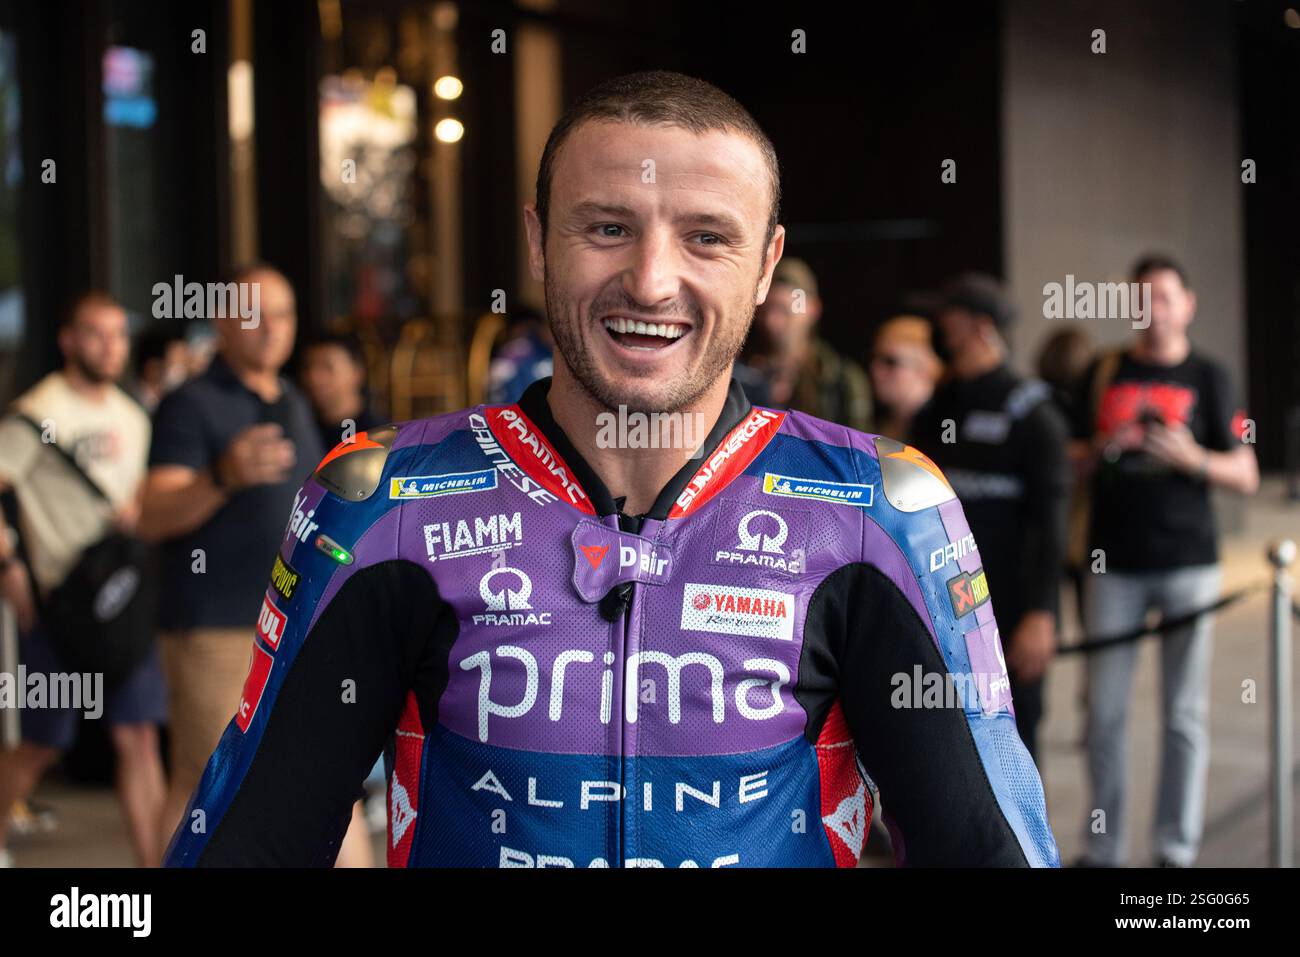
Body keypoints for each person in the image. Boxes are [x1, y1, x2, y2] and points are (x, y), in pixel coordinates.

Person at [164, 71, 1058, 868]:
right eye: (606, 227)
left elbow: (987, 847)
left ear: (766, 267)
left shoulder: (882, 512)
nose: (652, 280)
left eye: (708, 237)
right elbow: (253, 840)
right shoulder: (381, 501)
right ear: (538, 241)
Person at [1071, 254, 1258, 868]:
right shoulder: (1103, 373)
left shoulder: (1211, 375)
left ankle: (1173, 852)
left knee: (1183, 715)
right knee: (1105, 714)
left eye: (1166, 298)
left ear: (1188, 304)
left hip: (1188, 562)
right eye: (1142, 299)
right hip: (1111, 565)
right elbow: (1067, 457)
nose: (1154, 311)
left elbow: (1247, 472)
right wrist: (1106, 447)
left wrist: (1190, 456)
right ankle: (1103, 849)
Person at [137, 264, 324, 856]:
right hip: (214, 628)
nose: (272, 329)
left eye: (284, 315)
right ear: (222, 319)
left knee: (320, 781)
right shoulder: (190, 404)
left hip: (294, 622)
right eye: (255, 314)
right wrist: (224, 475)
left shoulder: (293, 399)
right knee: (208, 784)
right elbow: (151, 513)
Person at [0, 292, 167, 867]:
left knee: (139, 734)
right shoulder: (37, 411)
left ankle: (153, 867)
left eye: (119, 334)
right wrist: (10, 569)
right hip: (62, 607)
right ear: (68, 340)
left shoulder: (131, 413)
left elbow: (143, 488)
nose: (110, 346)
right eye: (95, 334)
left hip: (121, 603)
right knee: (42, 744)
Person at [909, 274, 1070, 763]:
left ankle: (1018, 840)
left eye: (948, 321)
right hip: (942, 601)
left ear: (981, 327)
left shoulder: (1032, 411)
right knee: (943, 730)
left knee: (1016, 736)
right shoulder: (938, 406)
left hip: (1012, 604)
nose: (939, 331)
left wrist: (1041, 614)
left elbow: (1052, 518)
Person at [743, 257, 872, 431]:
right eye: (767, 310)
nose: (771, 322)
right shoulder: (741, 372)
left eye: (784, 311)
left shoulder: (840, 380)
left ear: (813, 309)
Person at [300, 331, 386, 454]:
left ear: (357, 372)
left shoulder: (381, 437)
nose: (313, 378)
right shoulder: (301, 432)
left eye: (327, 367)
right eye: (308, 367)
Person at [868, 315, 942, 440]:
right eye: (874, 358)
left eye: (890, 362)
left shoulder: (946, 427)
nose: (875, 370)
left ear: (926, 368)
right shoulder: (876, 422)